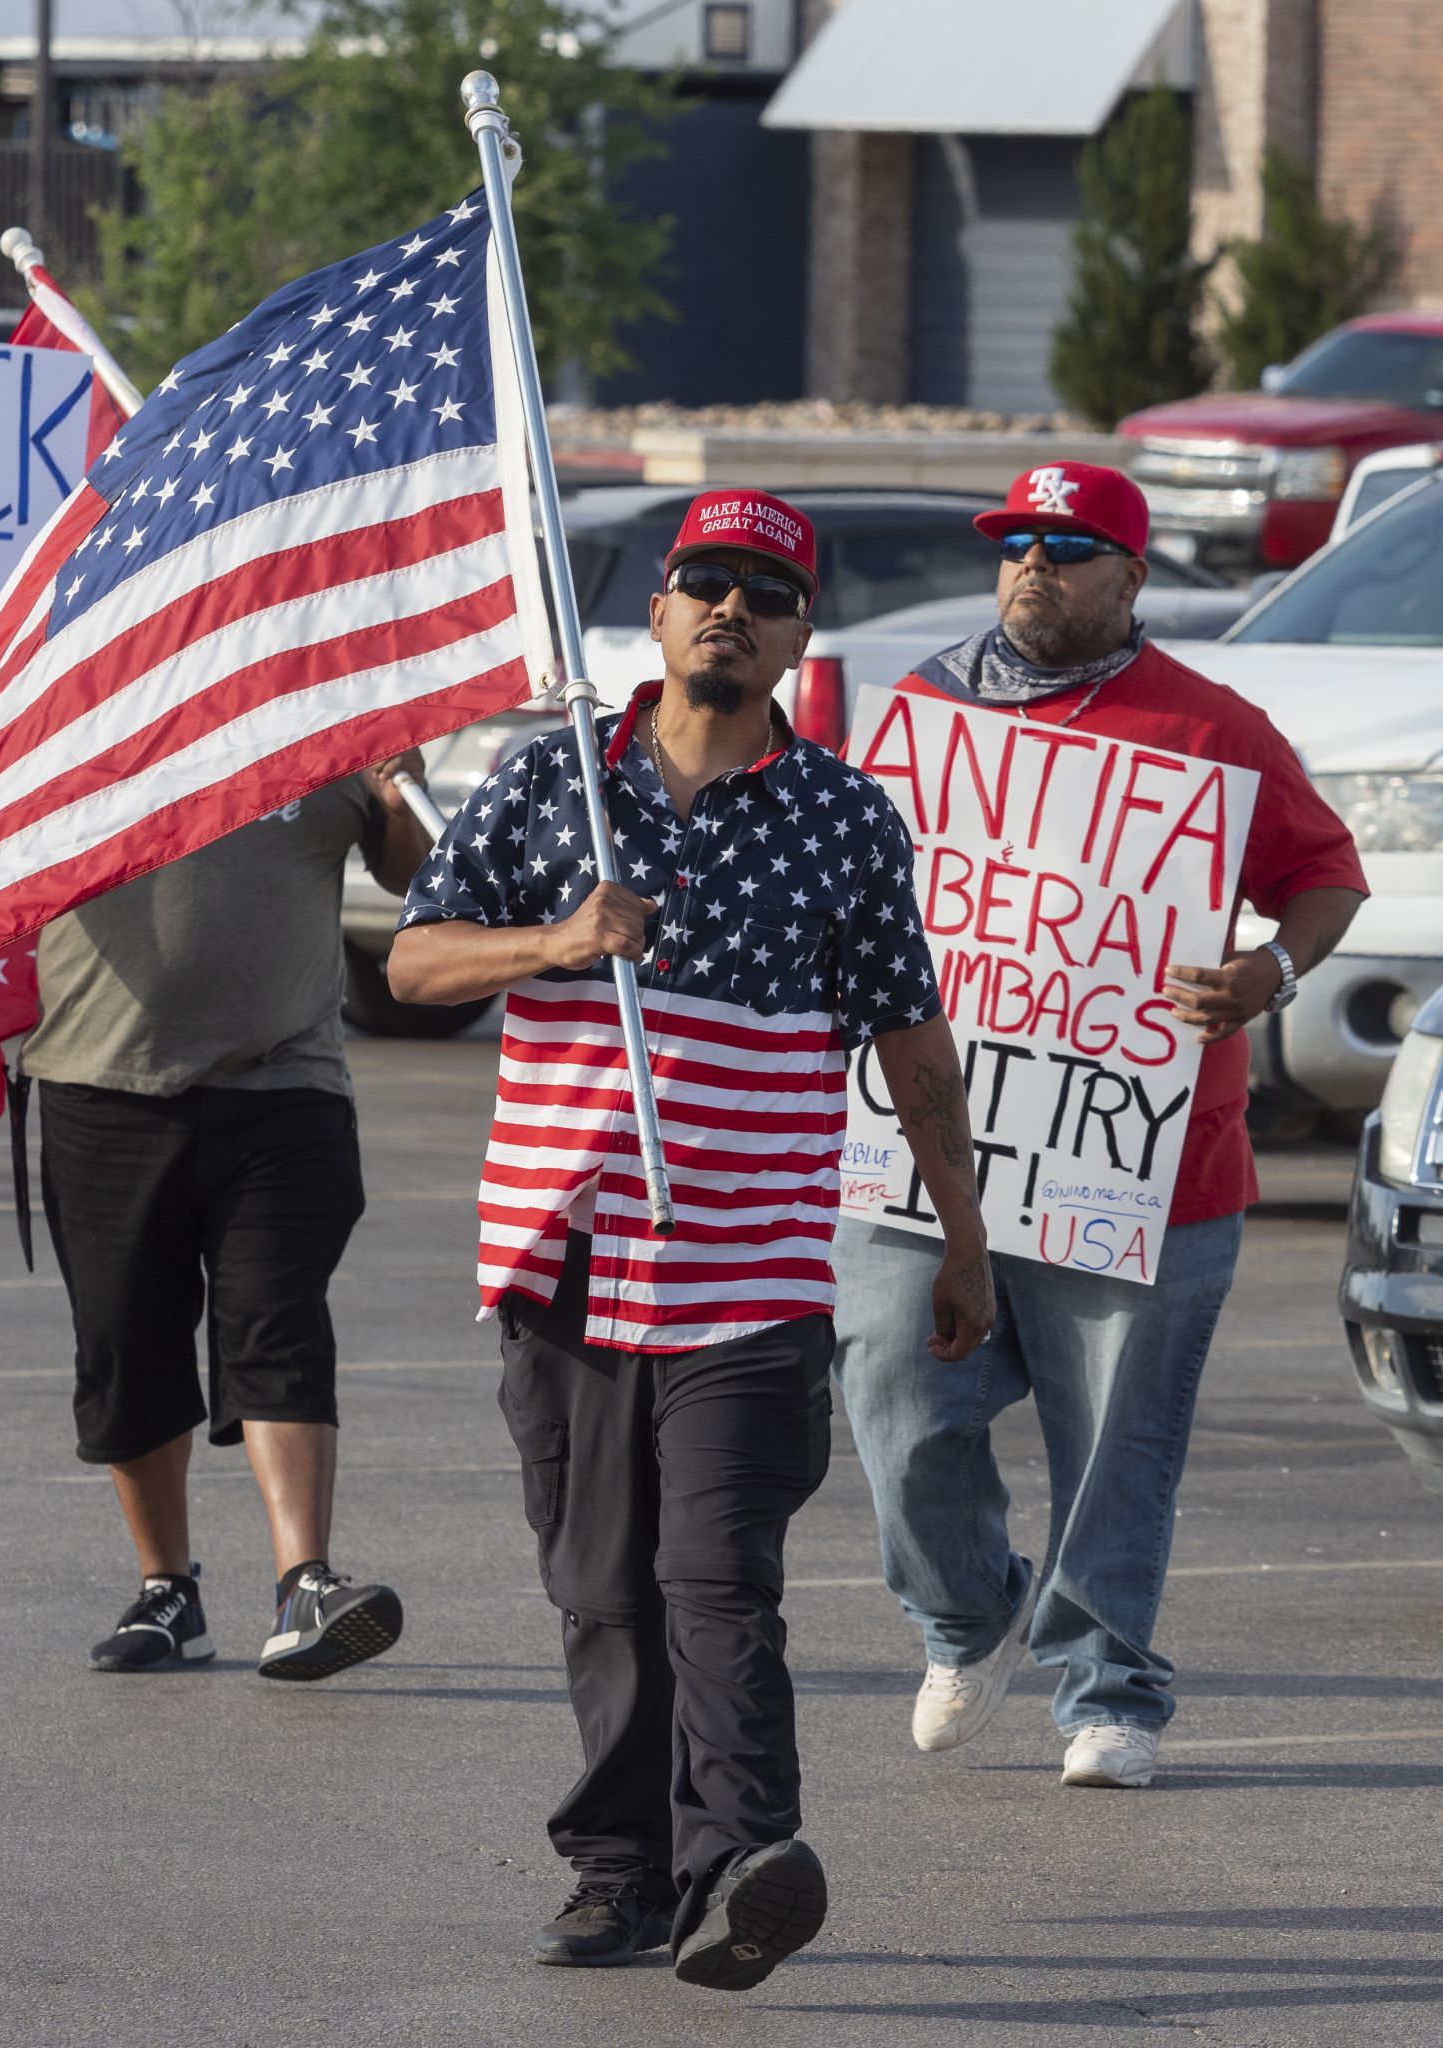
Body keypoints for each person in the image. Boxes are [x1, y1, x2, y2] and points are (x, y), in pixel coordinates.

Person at [385, 490, 995, 1992]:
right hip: (568, 1256)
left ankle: (741, 1868)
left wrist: (963, 1235)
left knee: (717, 1574)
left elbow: (909, 1037)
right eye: (706, 579)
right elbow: (411, 961)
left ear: (797, 637)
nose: (732, 607)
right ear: (657, 611)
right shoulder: (552, 782)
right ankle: (620, 1869)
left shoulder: (843, 817)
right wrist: (559, 940)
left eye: (765, 592)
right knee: (603, 1586)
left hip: (750, 1264)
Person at [0, 597, 430, 1683]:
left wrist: (396, 788)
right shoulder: (68, 695)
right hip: (99, 1086)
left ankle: (305, 1584)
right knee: (124, 1346)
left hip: (283, 1087)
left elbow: (407, 874)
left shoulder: (322, 690)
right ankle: (168, 1591)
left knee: (277, 1324)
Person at [831, 463, 1368, 1790]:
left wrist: (1269, 972)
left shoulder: (1213, 727)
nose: (1033, 565)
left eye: (1067, 547)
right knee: (893, 1384)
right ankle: (968, 1609)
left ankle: (1108, 1692)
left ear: (1131, 576)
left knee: (1114, 1449)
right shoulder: (923, 717)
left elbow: (1324, 873)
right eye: (1015, 542)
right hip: (928, 1150)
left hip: (1143, 1163)